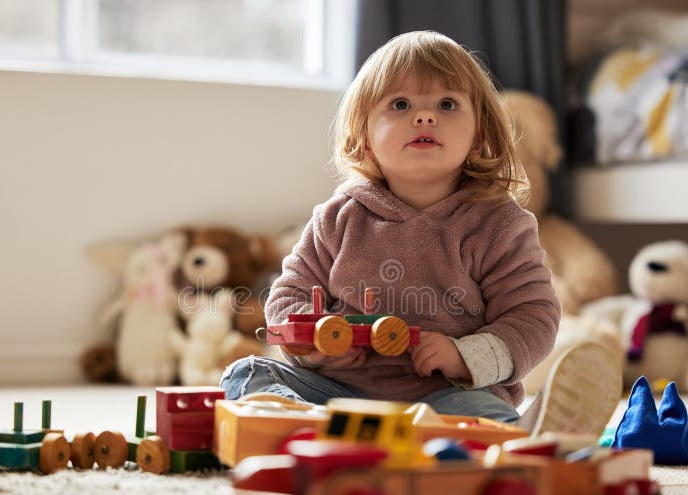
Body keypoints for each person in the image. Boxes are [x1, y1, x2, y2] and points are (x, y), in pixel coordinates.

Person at [219, 31, 620, 435]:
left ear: (480, 134)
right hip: (338, 393)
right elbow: (288, 297)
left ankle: (521, 435)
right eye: (400, 104)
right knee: (246, 372)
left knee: (481, 411)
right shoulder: (338, 218)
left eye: (447, 104)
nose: (425, 117)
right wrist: (318, 344)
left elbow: (533, 315)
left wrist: (465, 356)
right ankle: (302, 426)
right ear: (364, 137)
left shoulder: (499, 224)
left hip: (443, 398)